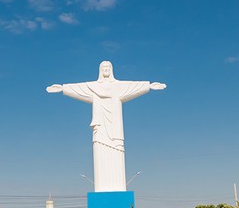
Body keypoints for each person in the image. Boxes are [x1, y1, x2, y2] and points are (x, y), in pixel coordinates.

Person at [47, 61, 165, 192]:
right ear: (100, 70)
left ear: (112, 69)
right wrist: (63, 89)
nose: (106, 69)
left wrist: (148, 86)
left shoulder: (119, 86)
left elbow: (133, 86)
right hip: (100, 126)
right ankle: (102, 187)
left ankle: (118, 186)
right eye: (104, 67)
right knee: (100, 153)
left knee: (117, 153)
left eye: (108, 67)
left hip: (115, 127)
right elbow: (80, 88)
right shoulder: (93, 87)